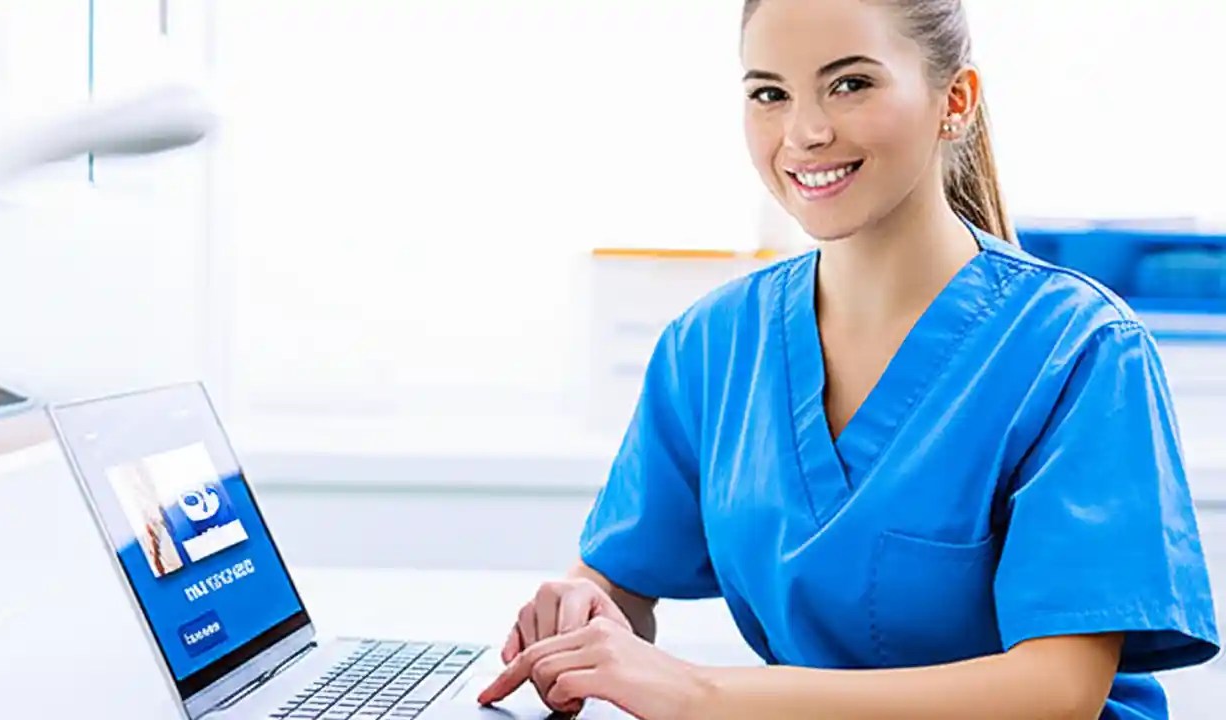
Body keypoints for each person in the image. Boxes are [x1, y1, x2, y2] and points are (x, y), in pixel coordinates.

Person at [478, 0, 1221, 717]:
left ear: (955, 100)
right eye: (769, 93)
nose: (803, 131)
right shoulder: (711, 345)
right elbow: (621, 582)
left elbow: (1056, 692)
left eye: (850, 84)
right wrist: (582, 614)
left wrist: (698, 697)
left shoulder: (1079, 350)